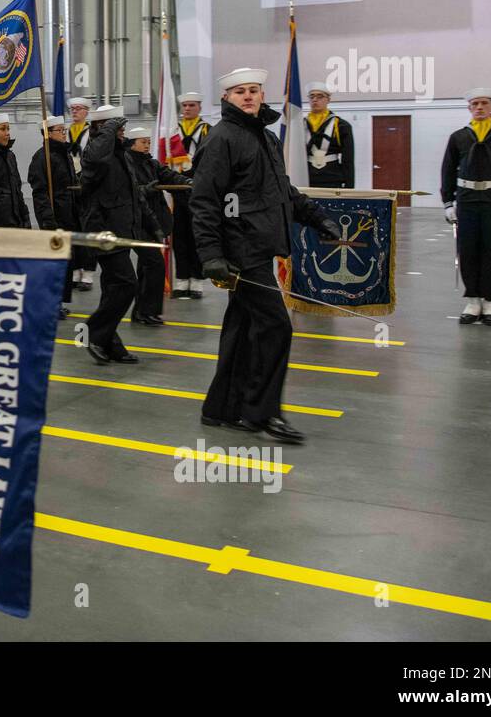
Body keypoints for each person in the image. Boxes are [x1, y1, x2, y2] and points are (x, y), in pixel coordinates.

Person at [190, 68, 340, 444]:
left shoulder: (266, 138)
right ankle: (261, 415)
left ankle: (221, 408)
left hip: (259, 244)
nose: (248, 96)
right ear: (226, 98)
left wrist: (318, 218)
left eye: (254, 90)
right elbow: (204, 201)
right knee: (275, 327)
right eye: (239, 91)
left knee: (242, 330)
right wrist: (211, 255)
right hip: (240, 251)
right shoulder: (221, 138)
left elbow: (282, 190)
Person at [441, 87, 491, 327]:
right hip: (466, 199)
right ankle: (473, 300)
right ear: (469, 108)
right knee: (467, 250)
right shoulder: (459, 136)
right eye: (475, 103)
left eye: (484, 103)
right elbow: (447, 170)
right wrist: (448, 202)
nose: (479, 107)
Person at [77, 105, 141, 364]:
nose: (123, 133)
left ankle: (110, 343)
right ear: (104, 129)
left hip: (120, 229)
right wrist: (109, 128)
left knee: (112, 289)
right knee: (127, 284)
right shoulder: (95, 151)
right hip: (103, 231)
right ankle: (92, 332)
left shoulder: (119, 154)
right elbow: (94, 159)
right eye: (118, 128)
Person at [125, 126, 192, 326]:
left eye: (148, 142)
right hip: (138, 222)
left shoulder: (151, 163)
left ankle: (143, 312)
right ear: (132, 143)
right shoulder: (127, 164)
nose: (147, 145)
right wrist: (146, 189)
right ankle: (146, 312)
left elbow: (169, 176)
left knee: (147, 268)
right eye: (143, 142)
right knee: (155, 265)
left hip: (154, 220)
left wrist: (188, 181)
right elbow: (128, 190)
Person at [28, 115, 79, 316]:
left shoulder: (64, 155)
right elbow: (39, 192)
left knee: (66, 260)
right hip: (54, 217)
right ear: (48, 134)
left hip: (68, 216)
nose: (64, 134)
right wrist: (48, 220)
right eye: (60, 130)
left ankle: (57, 302)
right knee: (53, 263)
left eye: (64, 130)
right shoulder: (42, 158)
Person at [170, 92, 210, 299]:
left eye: (191, 105)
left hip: (197, 187)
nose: (187, 109)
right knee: (179, 236)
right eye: (184, 105)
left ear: (199, 108)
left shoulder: (206, 130)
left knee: (197, 235)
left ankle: (197, 280)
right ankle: (181, 279)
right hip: (177, 187)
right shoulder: (173, 130)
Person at [67, 97, 96, 291]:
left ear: (86, 112)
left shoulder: (91, 133)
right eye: (73, 109)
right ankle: (76, 269)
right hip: (71, 184)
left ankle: (89, 273)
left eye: (79, 109)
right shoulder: (66, 132)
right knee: (73, 227)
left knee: (88, 228)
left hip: (86, 183)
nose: (75, 112)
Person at [304, 81, 355, 188]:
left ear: (328, 99)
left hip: (332, 180)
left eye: (320, 96)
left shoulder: (341, 126)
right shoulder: (300, 125)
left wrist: (349, 188)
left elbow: (348, 160)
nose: (315, 100)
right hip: (306, 180)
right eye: (312, 96)